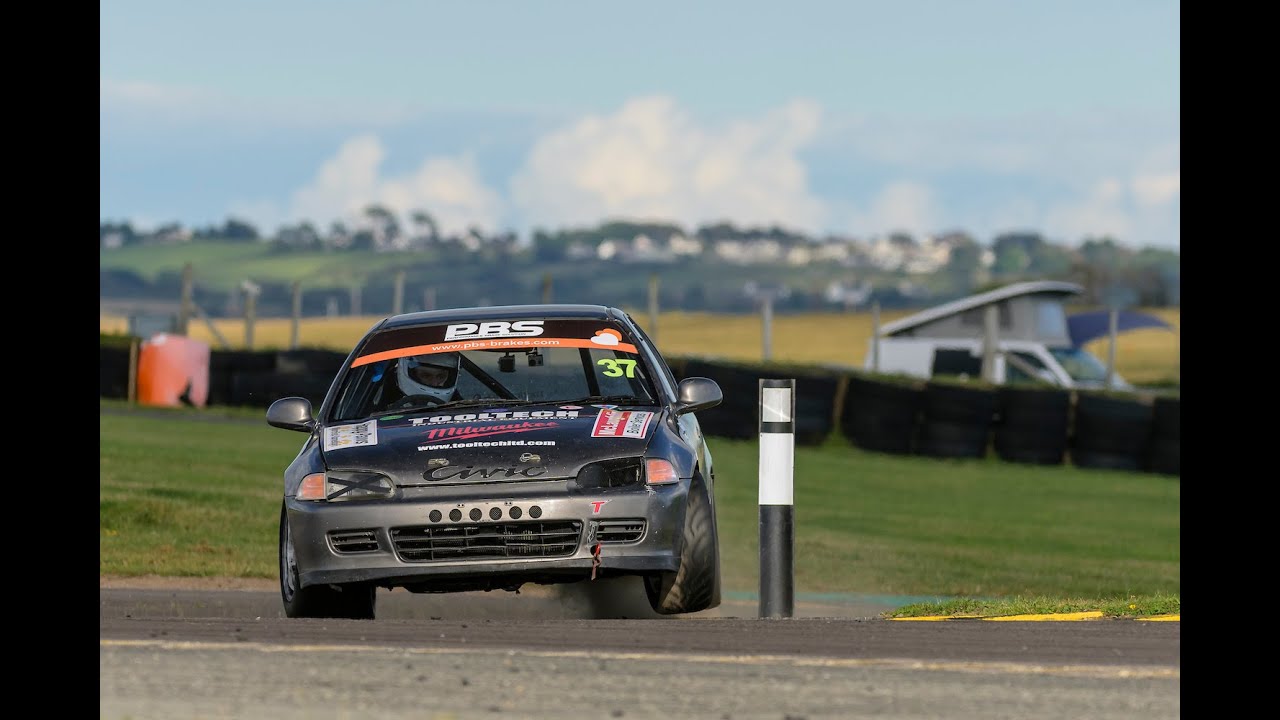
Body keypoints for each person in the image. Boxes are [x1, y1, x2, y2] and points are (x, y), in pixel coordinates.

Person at [396, 352, 463, 404]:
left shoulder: (460, 405)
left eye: (441, 376)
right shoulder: (387, 396)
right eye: (426, 376)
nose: (434, 383)